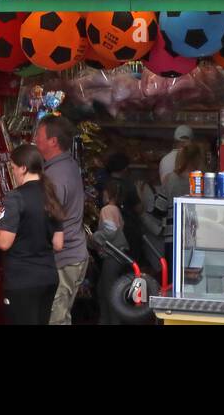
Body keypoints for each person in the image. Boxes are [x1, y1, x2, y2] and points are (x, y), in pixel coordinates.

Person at [0, 144, 64, 326]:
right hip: (48, 277)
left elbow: (3, 242)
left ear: (23, 168)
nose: (13, 173)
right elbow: (58, 243)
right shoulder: (50, 194)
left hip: (22, 280)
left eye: (13, 168)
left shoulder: (16, 197)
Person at [35, 114, 86, 325]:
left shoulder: (56, 176)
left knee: (56, 319)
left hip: (64, 259)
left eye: (39, 135)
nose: (35, 139)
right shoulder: (68, 165)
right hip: (73, 254)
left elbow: (47, 218)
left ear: (53, 141)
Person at [146, 143, 207, 269]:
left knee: (173, 281)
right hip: (198, 238)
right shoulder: (204, 180)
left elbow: (158, 210)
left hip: (173, 239)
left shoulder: (171, 179)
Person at [92, 179, 131, 326]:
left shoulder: (107, 210)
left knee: (108, 292)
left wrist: (95, 236)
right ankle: (106, 319)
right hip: (118, 255)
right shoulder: (116, 209)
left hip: (112, 256)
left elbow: (110, 230)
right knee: (103, 288)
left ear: (107, 193)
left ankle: (112, 321)